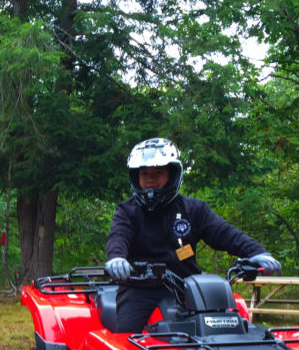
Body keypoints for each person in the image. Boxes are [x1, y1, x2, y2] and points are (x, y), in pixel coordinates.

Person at [105, 137, 280, 332]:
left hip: (187, 288)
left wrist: (256, 252)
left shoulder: (194, 209)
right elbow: (119, 237)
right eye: (144, 173)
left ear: (172, 175)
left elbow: (224, 233)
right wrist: (117, 258)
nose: (150, 179)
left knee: (230, 329)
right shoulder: (127, 211)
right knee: (126, 340)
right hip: (140, 289)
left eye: (158, 172)